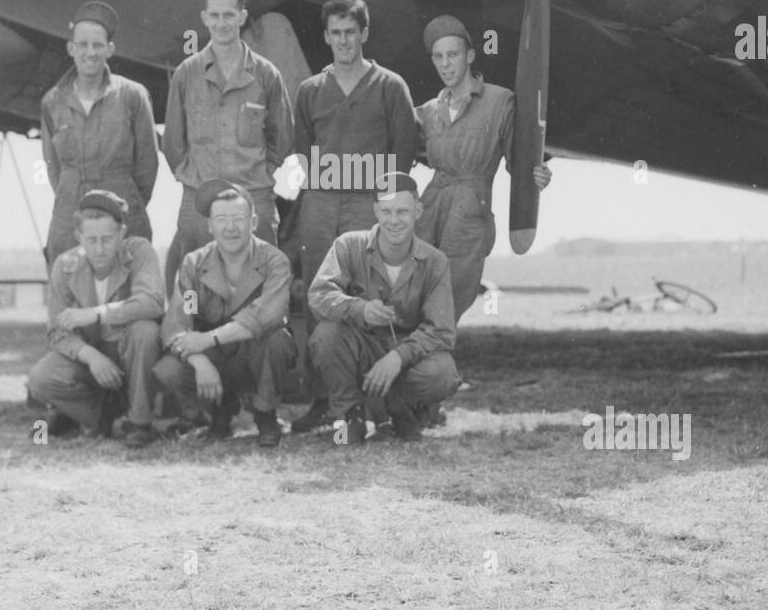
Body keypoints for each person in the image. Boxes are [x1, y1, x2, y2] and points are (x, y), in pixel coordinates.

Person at [288, 0, 419, 433]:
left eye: (351, 32)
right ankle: (323, 398)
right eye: (336, 33)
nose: (344, 41)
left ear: (364, 34)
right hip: (322, 202)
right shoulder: (310, 90)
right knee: (319, 293)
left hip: (369, 201)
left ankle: (388, 399)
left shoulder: (389, 86)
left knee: (374, 292)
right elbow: (304, 153)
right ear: (326, 37)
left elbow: (402, 156)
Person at [415, 15, 552, 322]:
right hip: (429, 208)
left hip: (469, 212)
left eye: (453, 55)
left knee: (446, 308)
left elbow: (519, 160)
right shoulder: (427, 111)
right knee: (413, 297)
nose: (446, 64)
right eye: (438, 57)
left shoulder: (499, 101)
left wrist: (537, 174)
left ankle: (433, 367)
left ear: (470, 56)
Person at [162, 0, 293, 294]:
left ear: (242, 17)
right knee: (193, 289)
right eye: (215, 16)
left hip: (254, 201)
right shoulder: (187, 75)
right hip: (199, 201)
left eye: (229, 15)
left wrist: (262, 175)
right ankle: (193, 339)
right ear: (205, 18)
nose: (222, 23)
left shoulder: (265, 74)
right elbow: (173, 143)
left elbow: (283, 136)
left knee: (260, 289)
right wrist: (192, 179)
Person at [307, 173, 458, 444]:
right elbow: (319, 296)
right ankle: (348, 416)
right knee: (325, 335)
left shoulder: (436, 262)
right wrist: (359, 309)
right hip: (361, 351)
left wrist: (398, 357)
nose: (394, 220)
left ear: (418, 211)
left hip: (406, 359)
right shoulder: (348, 245)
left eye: (403, 211)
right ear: (375, 210)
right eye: (386, 211)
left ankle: (398, 409)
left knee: (443, 374)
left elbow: (442, 330)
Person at [153, 181, 297, 448]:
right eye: (221, 219)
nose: (230, 228)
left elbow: (266, 315)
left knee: (279, 341)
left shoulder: (273, 261)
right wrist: (199, 360)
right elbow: (182, 320)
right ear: (210, 225)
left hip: (254, 353)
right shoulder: (195, 264)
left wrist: (207, 340)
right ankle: (219, 413)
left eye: (238, 219)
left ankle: (265, 414)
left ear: (253, 222)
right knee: (170, 369)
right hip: (216, 359)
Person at [27, 191, 165, 448]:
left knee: (145, 331)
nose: (100, 249)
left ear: (121, 233)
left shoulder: (141, 251)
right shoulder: (65, 265)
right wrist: (91, 356)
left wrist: (97, 313)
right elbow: (57, 331)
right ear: (79, 238)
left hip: (131, 352)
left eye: (107, 239)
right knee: (40, 379)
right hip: (92, 354)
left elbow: (153, 302)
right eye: (92, 240)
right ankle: (103, 417)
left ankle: (139, 423)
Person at [40, 0, 159, 267]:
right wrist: (70, 195)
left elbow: (148, 165)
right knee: (68, 290)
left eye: (97, 45)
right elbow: (54, 168)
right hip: (69, 213)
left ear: (110, 49)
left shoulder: (132, 96)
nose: (90, 53)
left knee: (127, 295)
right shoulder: (53, 102)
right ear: (71, 48)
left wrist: (129, 201)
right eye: (82, 45)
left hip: (123, 210)